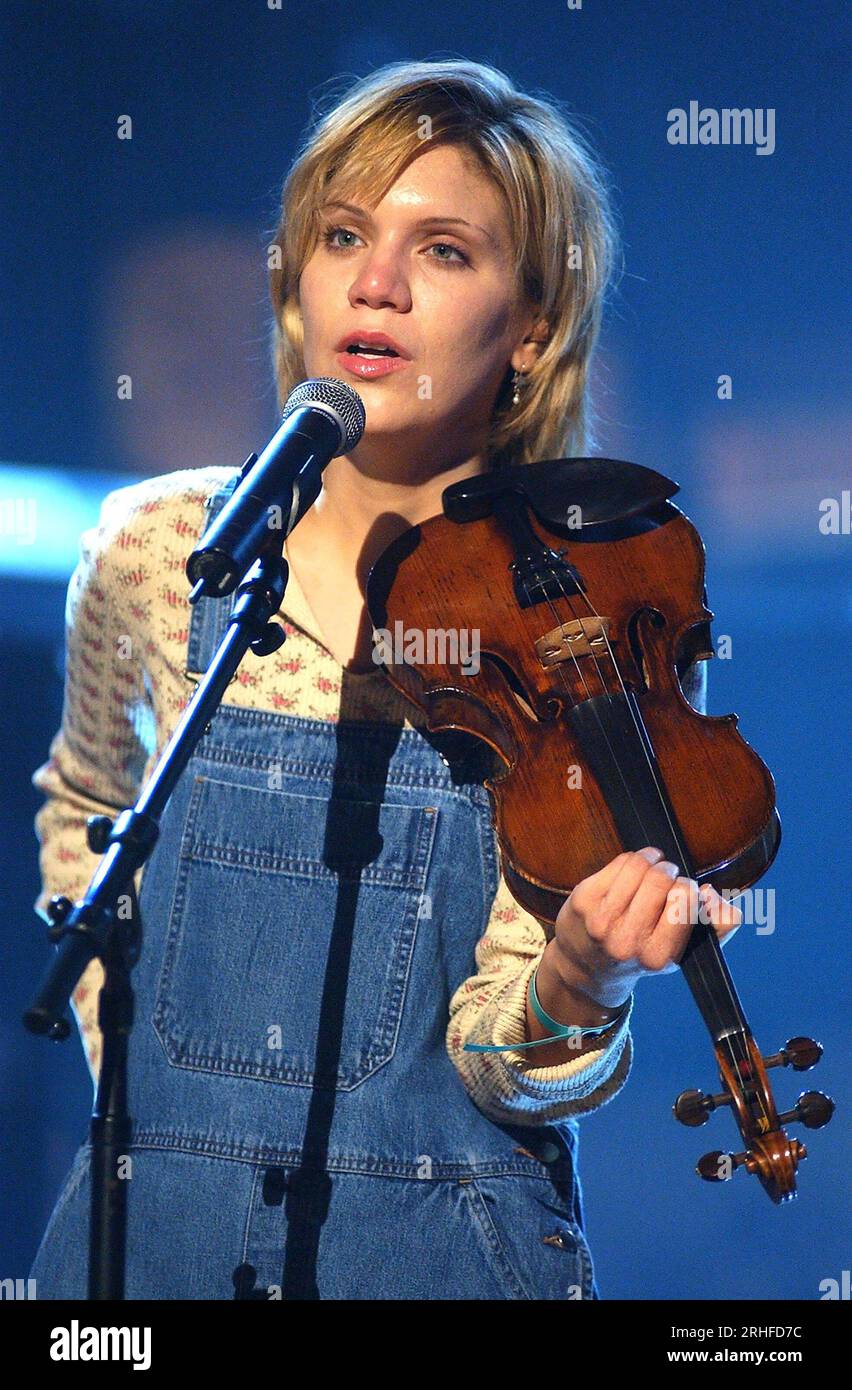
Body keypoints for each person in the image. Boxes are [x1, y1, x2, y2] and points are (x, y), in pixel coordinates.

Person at [29, 59, 740, 1300]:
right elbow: (85, 801)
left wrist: (580, 977)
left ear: (533, 326)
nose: (375, 282)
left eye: (446, 249)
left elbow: (510, 1063)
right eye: (343, 234)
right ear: (294, 280)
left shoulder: (579, 626)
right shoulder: (155, 550)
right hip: (145, 1248)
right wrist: (129, 1072)